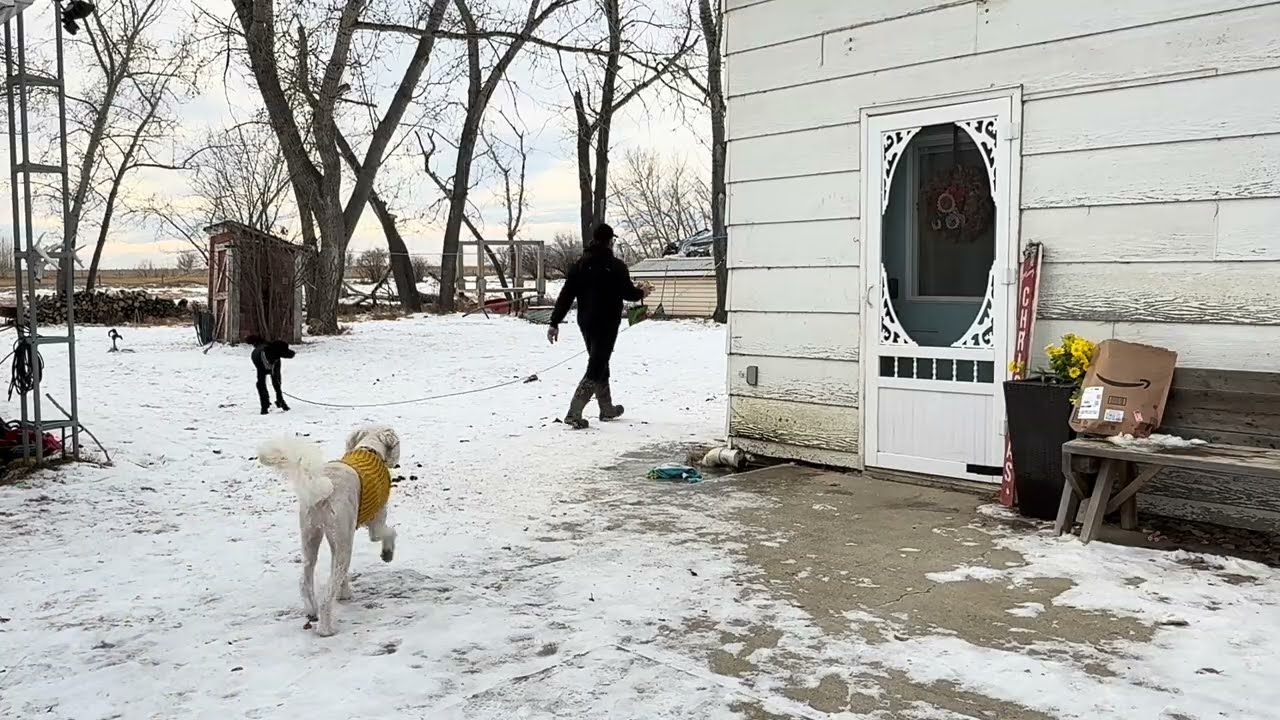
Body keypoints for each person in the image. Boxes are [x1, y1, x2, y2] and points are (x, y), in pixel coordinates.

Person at [547, 223, 649, 429]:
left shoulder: (580, 265)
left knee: (600, 361)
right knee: (596, 364)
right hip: (607, 322)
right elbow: (628, 293)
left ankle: (606, 408)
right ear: (610, 241)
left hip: (586, 321)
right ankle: (574, 412)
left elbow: (566, 295)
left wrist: (554, 322)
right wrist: (642, 292)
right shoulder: (616, 266)